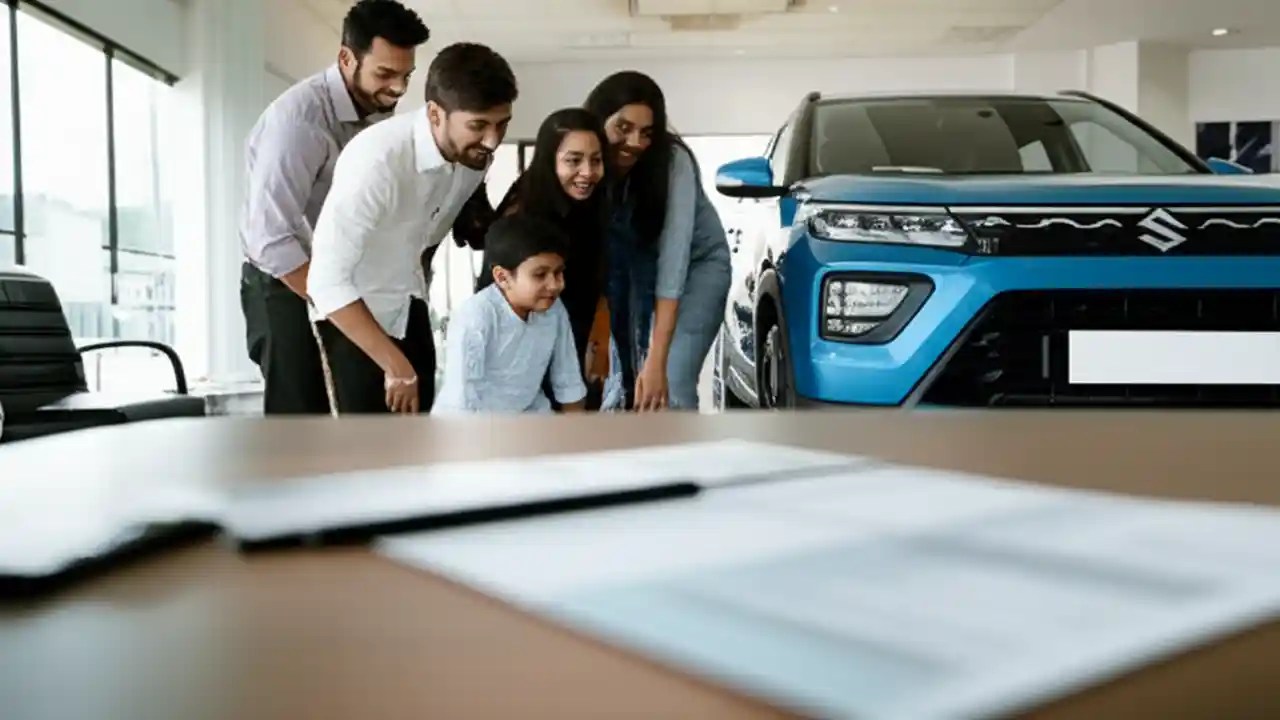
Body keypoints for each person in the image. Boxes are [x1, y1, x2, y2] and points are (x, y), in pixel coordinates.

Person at [238, 0, 428, 415]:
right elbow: (269, 240)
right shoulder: (300, 122)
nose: (398, 89)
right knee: (301, 420)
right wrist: (336, 301)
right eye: (385, 74)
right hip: (286, 282)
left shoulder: (377, 110)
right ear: (346, 58)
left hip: (342, 280)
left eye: (406, 76)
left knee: (351, 411)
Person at [307, 42, 517, 415]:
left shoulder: (474, 158)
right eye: (478, 125)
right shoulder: (377, 160)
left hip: (409, 305)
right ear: (435, 114)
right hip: (353, 317)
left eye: (502, 124)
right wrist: (395, 364)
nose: (492, 140)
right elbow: (325, 282)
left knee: (419, 438)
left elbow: (427, 235)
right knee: (363, 445)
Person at [584, 71, 732, 412]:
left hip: (694, 270)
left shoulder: (674, 162)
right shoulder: (588, 163)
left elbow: (673, 264)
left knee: (667, 381)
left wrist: (656, 361)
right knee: (624, 382)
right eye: (623, 128)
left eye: (647, 133)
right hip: (634, 274)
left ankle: (677, 444)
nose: (635, 142)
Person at [476, 107, 608, 384]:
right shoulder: (523, 212)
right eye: (573, 161)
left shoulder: (593, 205)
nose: (587, 172)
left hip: (573, 347)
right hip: (521, 359)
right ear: (550, 160)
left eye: (596, 160)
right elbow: (494, 300)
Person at [435, 215, 586, 414]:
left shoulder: (554, 309)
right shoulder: (476, 317)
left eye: (558, 272)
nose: (555, 285)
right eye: (540, 275)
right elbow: (462, 401)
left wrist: (576, 431)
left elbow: (569, 381)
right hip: (474, 423)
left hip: (531, 416)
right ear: (502, 277)